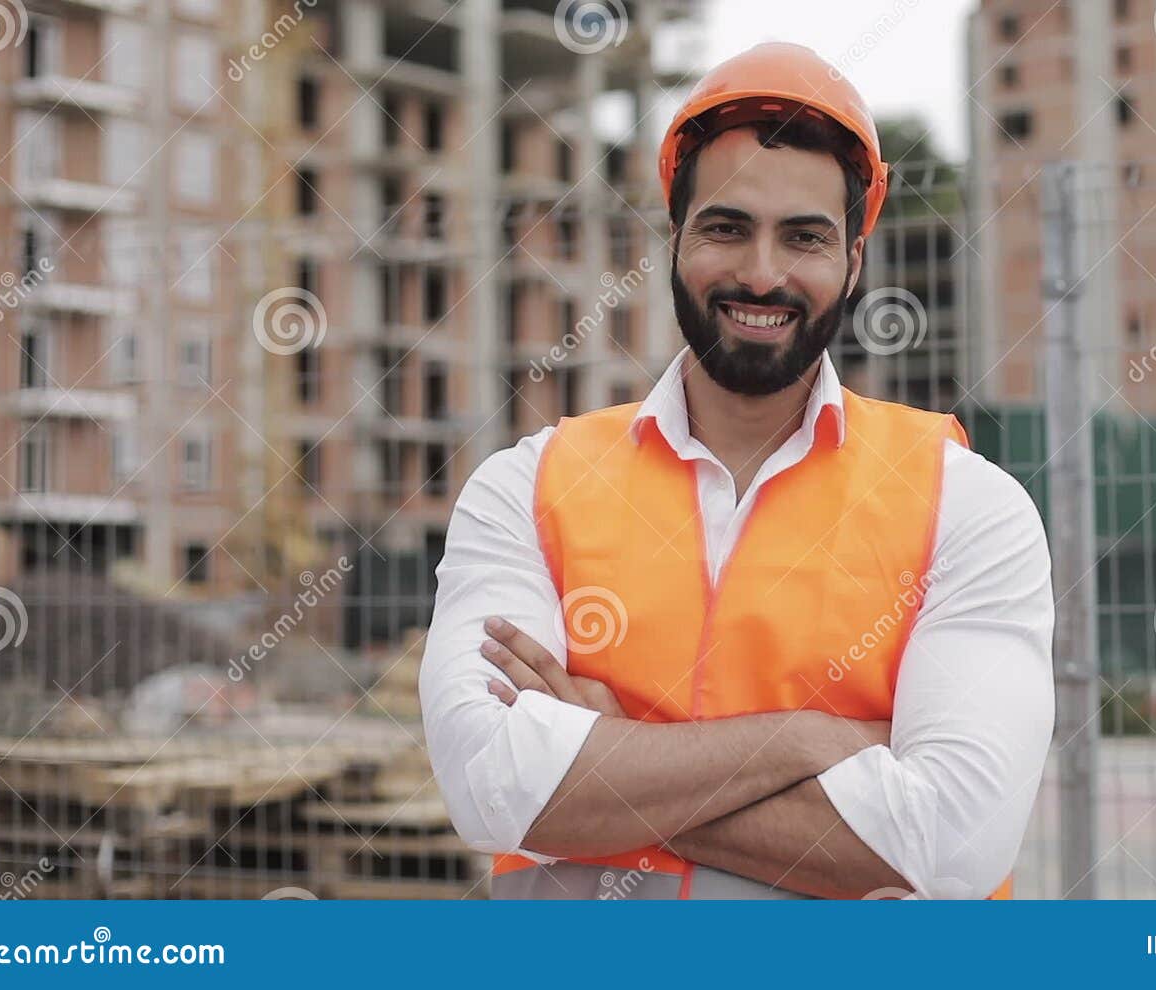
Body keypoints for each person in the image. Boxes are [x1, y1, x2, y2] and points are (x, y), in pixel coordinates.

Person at [420, 42, 1054, 900]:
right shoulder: (525, 487)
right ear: (674, 238)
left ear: (854, 262)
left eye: (805, 237)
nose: (762, 273)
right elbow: (491, 786)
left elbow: (950, 846)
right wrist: (807, 742)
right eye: (726, 227)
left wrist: (604, 762)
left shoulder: (968, 506)